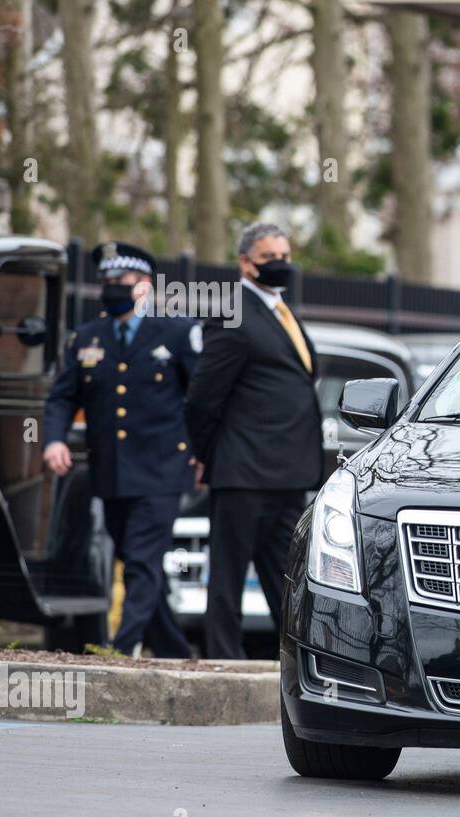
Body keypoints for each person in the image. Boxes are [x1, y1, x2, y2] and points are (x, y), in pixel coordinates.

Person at [43, 240, 199, 658]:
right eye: (106, 281)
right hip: (112, 472)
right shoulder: (87, 338)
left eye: (121, 281)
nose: (110, 288)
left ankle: (122, 647)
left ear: (144, 286)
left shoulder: (178, 332)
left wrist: (203, 452)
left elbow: (201, 399)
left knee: (140, 561)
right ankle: (175, 652)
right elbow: (62, 397)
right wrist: (54, 438)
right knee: (138, 561)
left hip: (164, 469)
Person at [185, 222, 322, 660]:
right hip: (242, 471)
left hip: (287, 473)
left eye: (285, 255)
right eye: (270, 258)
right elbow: (203, 398)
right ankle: (224, 661)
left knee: (285, 578)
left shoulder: (282, 310)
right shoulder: (233, 311)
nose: (281, 265)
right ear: (245, 263)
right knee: (226, 577)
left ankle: (297, 665)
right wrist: (205, 455)